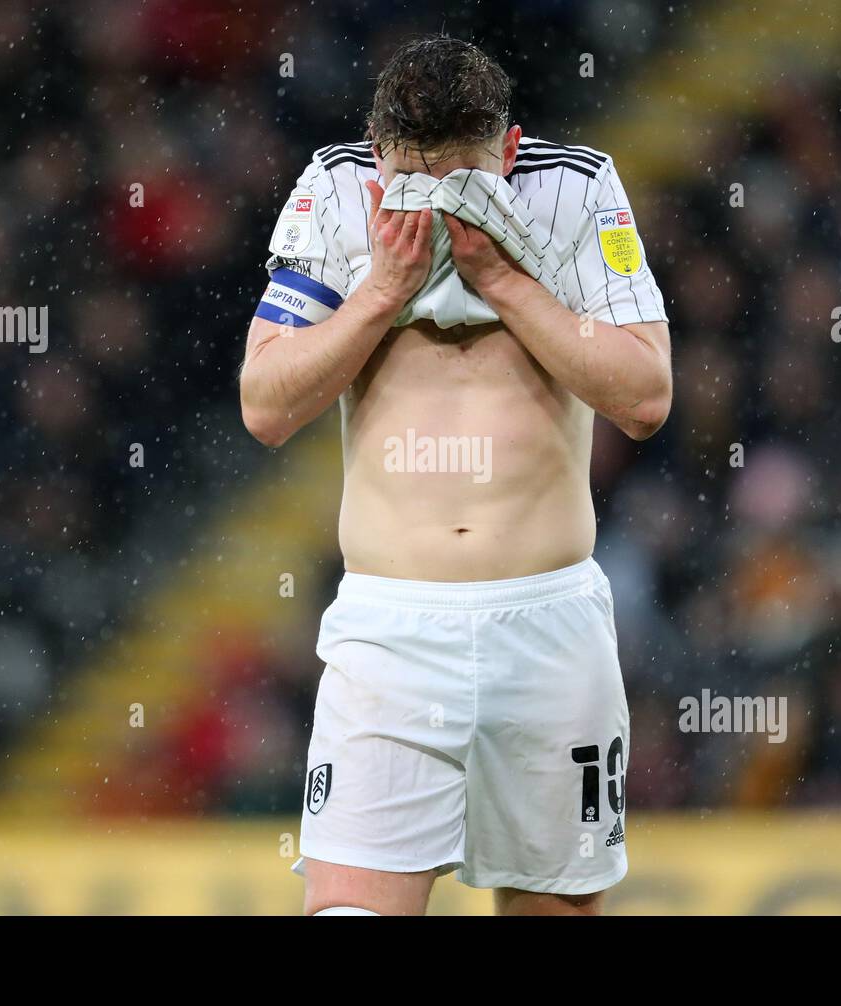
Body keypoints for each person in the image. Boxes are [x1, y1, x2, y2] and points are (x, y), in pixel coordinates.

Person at [241, 34, 672, 916]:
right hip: (390, 635)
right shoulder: (333, 190)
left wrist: (512, 285)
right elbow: (266, 405)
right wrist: (376, 295)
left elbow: (646, 395)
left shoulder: (578, 189)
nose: (433, 210)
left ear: (508, 154)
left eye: (463, 184)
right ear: (377, 154)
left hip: (549, 628)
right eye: (411, 183)